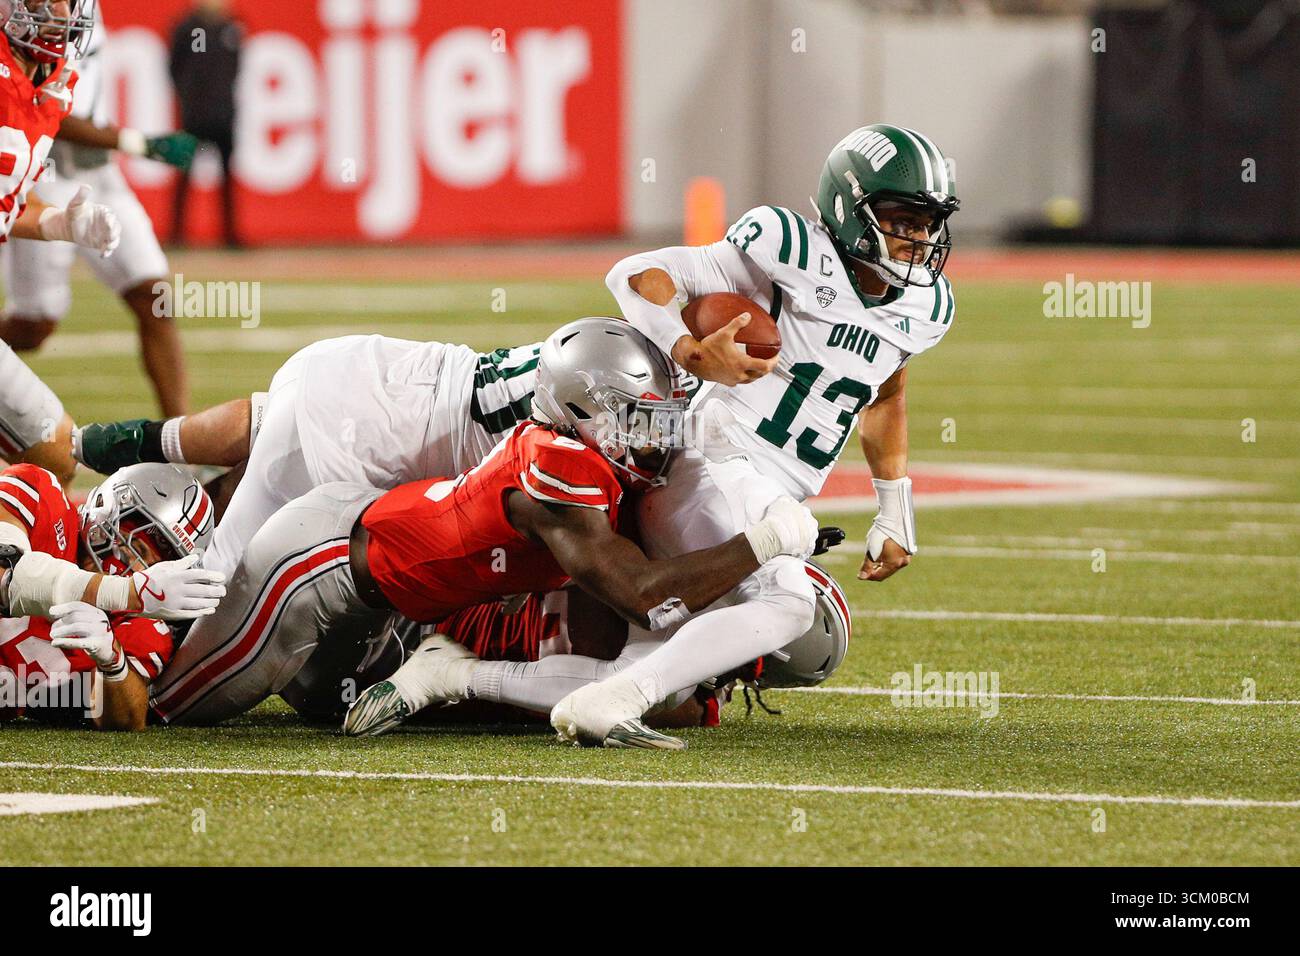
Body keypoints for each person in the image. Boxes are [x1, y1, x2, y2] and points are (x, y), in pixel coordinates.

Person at [148, 320, 823, 747]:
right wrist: (760, 545)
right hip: (313, 566)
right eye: (635, 419)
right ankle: (70, 651)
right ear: (583, 412)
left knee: (330, 707)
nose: (653, 437)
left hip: (384, 608)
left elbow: (613, 637)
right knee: (169, 704)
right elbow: (642, 597)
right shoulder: (558, 469)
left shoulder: (591, 464)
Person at [545, 124, 962, 747]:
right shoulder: (788, 245)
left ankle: (456, 680)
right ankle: (615, 704)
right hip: (713, 458)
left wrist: (894, 508)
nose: (919, 240)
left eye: (929, 224)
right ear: (850, 209)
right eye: (903, 219)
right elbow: (637, 273)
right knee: (790, 605)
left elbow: (886, 392)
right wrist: (686, 348)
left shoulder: (926, 307)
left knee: (670, 671)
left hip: (762, 489)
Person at [1, 2, 198, 417]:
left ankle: (181, 439)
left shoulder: (80, 9)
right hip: (41, 169)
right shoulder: (18, 27)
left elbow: (58, 98)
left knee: (154, 296)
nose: (60, 11)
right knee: (36, 324)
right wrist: (138, 143)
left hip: (97, 173)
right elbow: (44, 109)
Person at [0, 462, 222, 730]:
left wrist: (113, 662)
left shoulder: (142, 625)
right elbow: (5, 573)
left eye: (159, 562)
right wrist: (122, 593)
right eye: (138, 543)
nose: (138, 567)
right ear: (110, 505)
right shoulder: (40, 495)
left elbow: (125, 719)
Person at [168, 0, 242, 246]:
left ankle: (230, 235)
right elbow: (173, 68)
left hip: (224, 114)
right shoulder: (186, 29)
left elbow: (236, 68)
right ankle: (177, 234)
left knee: (228, 176)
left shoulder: (232, 27)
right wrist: (189, 98)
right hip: (194, 115)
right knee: (184, 173)